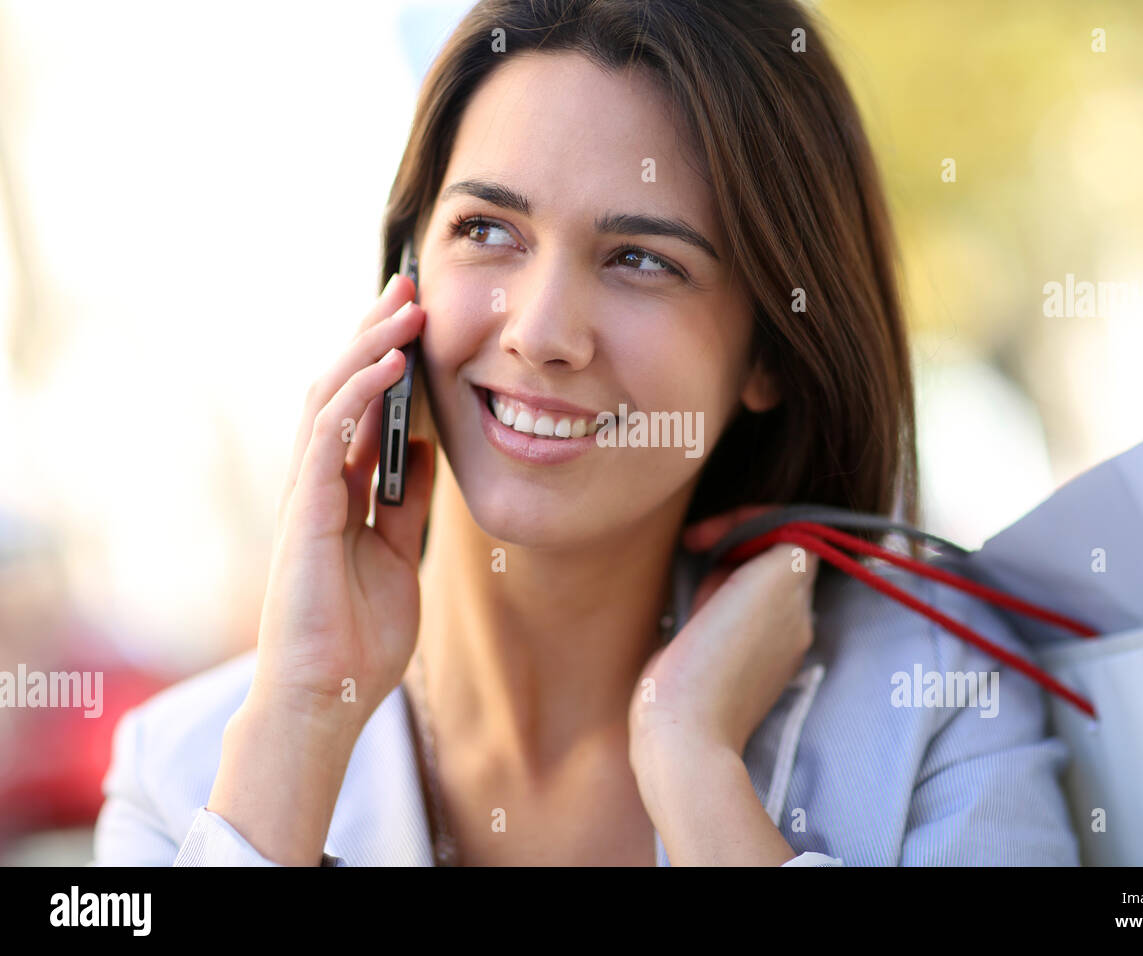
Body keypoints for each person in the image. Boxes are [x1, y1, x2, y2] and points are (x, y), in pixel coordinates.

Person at [91, 0, 1079, 866]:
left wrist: (695, 774)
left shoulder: (936, 711)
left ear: (771, 352)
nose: (540, 332)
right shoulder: (183, 774)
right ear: (406, 279)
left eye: (640, 258)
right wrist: (303, 721)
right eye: (485, 229)